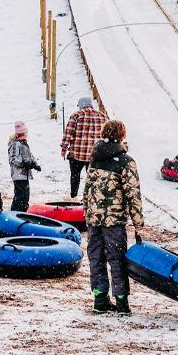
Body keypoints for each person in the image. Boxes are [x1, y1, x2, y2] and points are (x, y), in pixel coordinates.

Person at [83, 119, 143, 315]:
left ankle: (100, 299)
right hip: (114, 220)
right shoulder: (126, 162)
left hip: (94, 219)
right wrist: (138, 223)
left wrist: (87, 213)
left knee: (96, 257)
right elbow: (132, 194)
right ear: (122, 136)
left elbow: (87, 190)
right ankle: (122, 303)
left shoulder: (95, 158)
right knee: (116, 259)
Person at [60, 97, 107, 198]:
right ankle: (90, 197)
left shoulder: (76, 116)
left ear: (81, 105)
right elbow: (105, 136)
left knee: (75, 176)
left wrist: (64, 148)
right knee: (92, 177)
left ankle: (74, 196)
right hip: (94, 154)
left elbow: (68, 133)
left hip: (77, 153)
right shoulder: (102, 116)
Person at [8, 121, 39, 212]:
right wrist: (23, 164)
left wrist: (34, 164)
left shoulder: (24, 144)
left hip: (25, 174)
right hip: (18, 174)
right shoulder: (15, 144)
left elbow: (29, 155)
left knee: (26, 195)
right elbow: (13, 159)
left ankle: (24, 211)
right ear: (23, 133)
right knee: (20, 195)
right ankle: (16, 211)